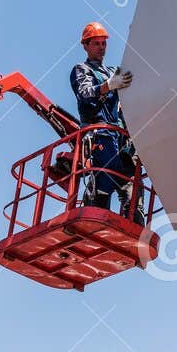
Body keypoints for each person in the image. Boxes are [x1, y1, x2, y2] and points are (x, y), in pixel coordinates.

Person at [70, 22, 142, 221]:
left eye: (103, 44)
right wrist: (108, 86)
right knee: (107, 174)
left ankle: (134, 220)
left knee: (130, 177)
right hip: (98, 132)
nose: (101, 48)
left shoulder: (112, 71)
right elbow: (84, 94)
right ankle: (94, 216)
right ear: (85, 45)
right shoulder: (81, 70)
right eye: (96, 44)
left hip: (118, 134)